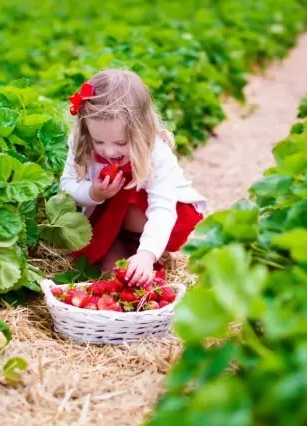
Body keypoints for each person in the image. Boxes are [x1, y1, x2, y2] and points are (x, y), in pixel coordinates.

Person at [59, 69, 207, 287]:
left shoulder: (156, 153)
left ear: (141, 132)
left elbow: (161, 209)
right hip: (108, 218)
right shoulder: (82, 141)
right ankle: (120, 248)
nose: (109, 152)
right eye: (99, 141)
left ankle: (145, 250)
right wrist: (93, 193)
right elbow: (67, 185)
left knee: (140, 245)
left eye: (120, 143)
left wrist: (147, 254)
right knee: (113, 273)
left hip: (156, 215)